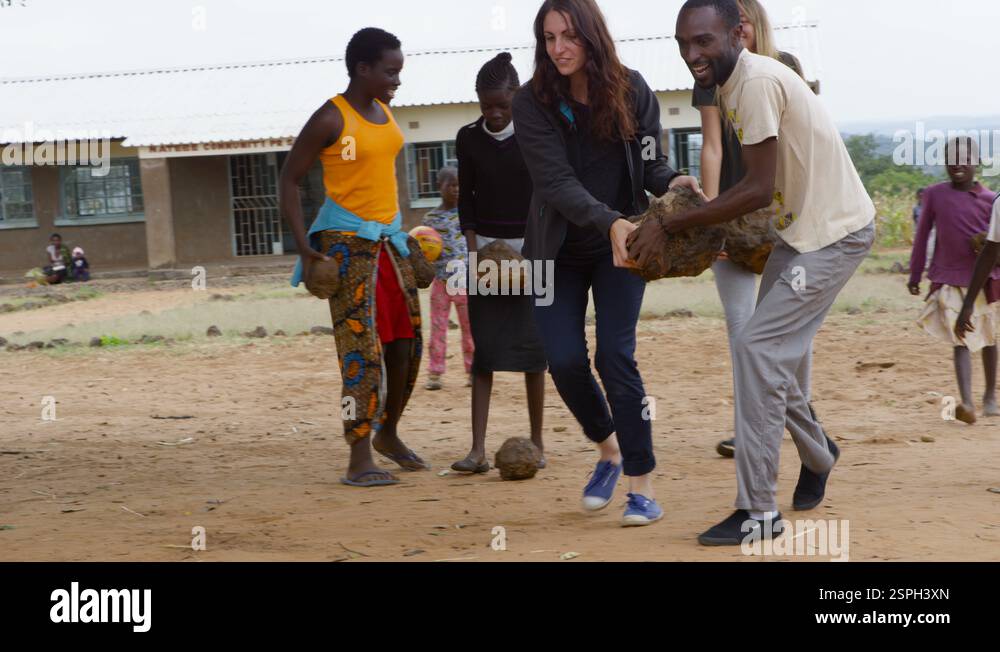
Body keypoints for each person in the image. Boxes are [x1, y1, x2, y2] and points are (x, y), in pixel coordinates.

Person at [632, 0, 876, 544]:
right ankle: (817, 451)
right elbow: (757, 183)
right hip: (800, 232)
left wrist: (675, 227)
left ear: (737, 33)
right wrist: (696, 212)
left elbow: (759, 188)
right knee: (766, 352)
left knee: (757, 349)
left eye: (702, 41)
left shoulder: (758, 81)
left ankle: (758, 512)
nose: (691, 53)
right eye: (683, 43)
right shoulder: (730, 82)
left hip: (835, 235)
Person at [514, 0, 702, 526]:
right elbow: (554, 182)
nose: (558, 49)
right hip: (556, 252)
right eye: (549, 38)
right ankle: (609, 452)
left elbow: (649, 162)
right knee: (565, 360)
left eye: (568, 36)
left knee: (615, 358)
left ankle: (641, 485)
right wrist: (608, 219)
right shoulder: (531, 103)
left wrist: (670, 182)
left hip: (623, 252)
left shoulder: (633, 88)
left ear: (592, 35)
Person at [280, 27, 427, 488]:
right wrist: (305, 249)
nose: (396, 81)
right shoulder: (330, 117)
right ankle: (358, 456)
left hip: (389, 244)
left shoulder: (384, 110)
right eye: (389, 71)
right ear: (362, 68)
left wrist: (407, 232)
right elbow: (288, 178)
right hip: (347, 249)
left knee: (405, 343)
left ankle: (388, 433)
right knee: (360, 355)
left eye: (399, 72)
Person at [694, 0, 813, 459]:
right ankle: (751, 427)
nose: (738, 26)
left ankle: (802, 422)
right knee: (742, 331)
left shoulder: (784, 69)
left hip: (783, 217)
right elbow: (711, 147)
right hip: (732, 212)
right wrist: (712, 219)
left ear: (754, 23)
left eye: (744, 18)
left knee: (794, 330)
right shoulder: (709, 71)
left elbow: (799, 144)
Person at [451, 52, 548, 474]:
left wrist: (538, 251)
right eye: (485, 105)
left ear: (517, 99)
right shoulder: (468, 138)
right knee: (485, 354)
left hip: (532, 255)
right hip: (486, 256)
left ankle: (539, 443)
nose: (493, 113)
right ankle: (477, 449)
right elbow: (466, 199)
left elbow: (547, 194)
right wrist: (474, 252)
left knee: (533, 353)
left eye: (501, 106)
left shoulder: (535, 134)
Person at [910, 137, 998, 424]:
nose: (957, 163)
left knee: (988, 337)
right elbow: (923, 235)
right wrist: (915, 272)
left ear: (977, 162)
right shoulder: (934, 195)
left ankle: (989, 397)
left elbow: (995, 246)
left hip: (982, 279)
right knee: (960, 336)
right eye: (951, 158)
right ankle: (968, 402)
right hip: (949, 276)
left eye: (965, 158)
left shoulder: (990, 199)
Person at [422, 166, 474, 391]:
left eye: (458, 185)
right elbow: (423, 249)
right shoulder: (430, 219)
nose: (456, 189)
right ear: (439, 188)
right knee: (437, 327)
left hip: (464, 282)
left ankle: (473, 370)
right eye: (450, 185)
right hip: (440, 283)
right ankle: (435, 373)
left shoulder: (468, 213)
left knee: (470, 328)